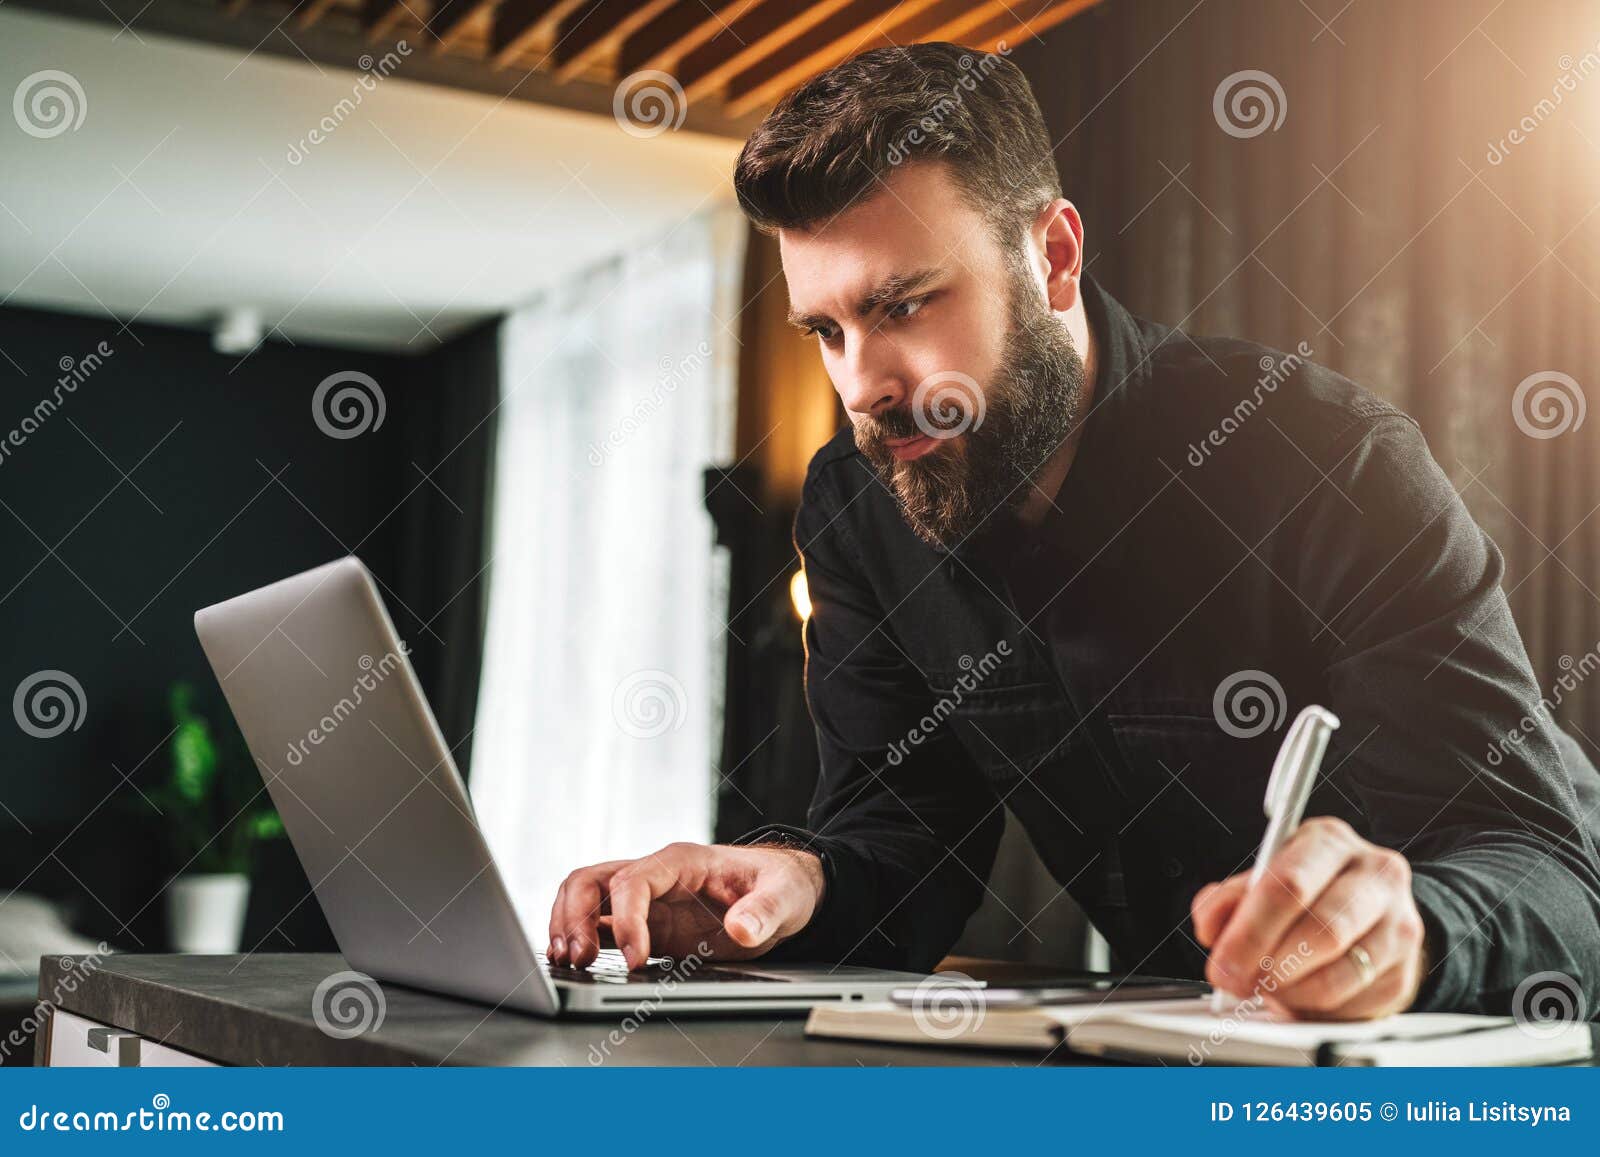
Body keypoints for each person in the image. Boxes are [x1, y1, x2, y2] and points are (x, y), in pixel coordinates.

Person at [546, 43, 1600, 1019]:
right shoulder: (859, 505)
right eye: (826, 329)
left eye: (905, 305)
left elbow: (1552, 874)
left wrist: (1417, 932)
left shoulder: (1332, 460)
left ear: (1052, 255)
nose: (862, 384)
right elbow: (903, 848)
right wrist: (793, 887)